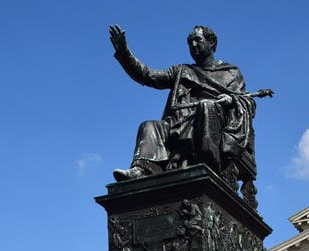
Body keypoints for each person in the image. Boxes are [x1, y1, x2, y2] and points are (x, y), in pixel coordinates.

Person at [109, 24, 271, 191]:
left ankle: (210, 167)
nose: (193, 45)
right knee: (149, 126)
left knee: (206, 107)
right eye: (190, 42)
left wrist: (230, 99)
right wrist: (124, 53)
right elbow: (148, 76)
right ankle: (143, 170)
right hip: (181, 121)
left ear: (212, 43)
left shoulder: (230, 72)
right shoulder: (182, 71)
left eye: (197, 40)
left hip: (215, 122)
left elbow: (246, 101)